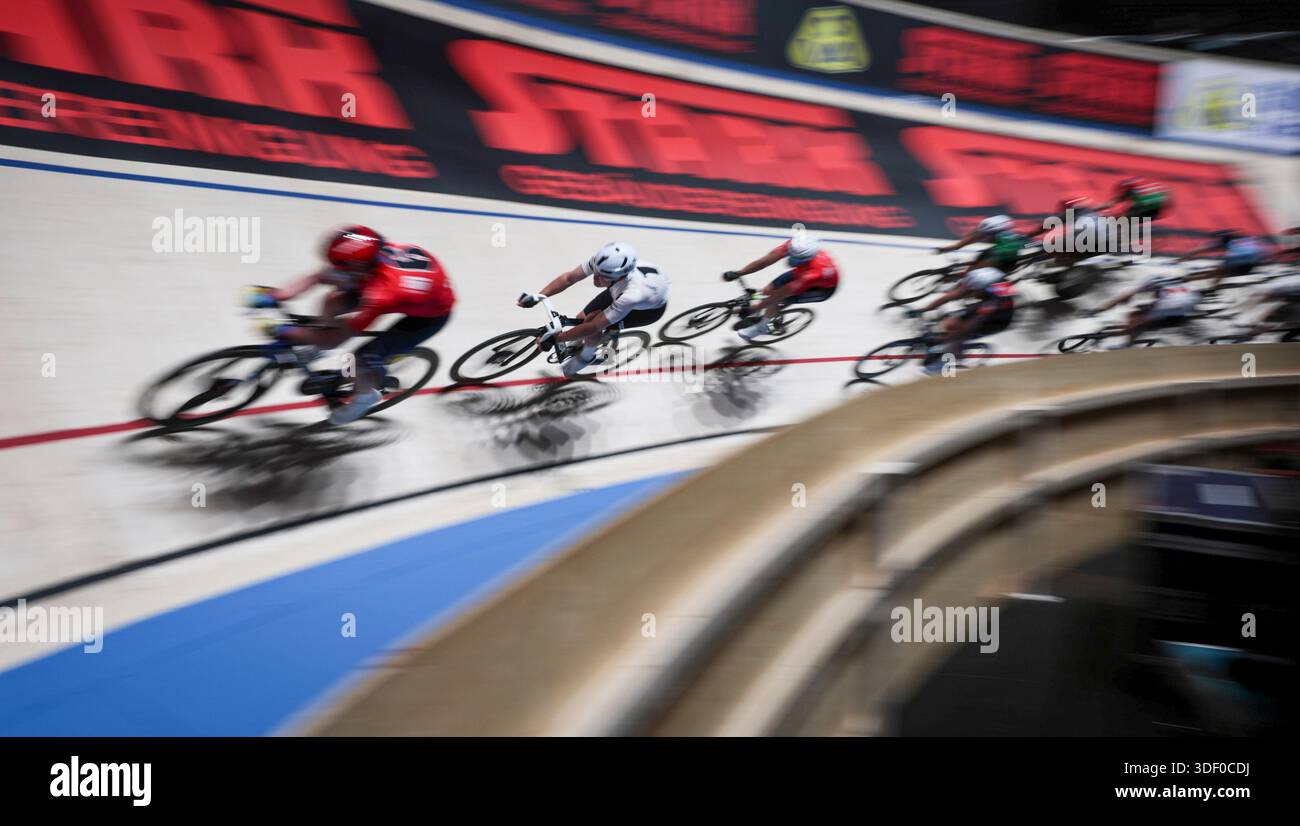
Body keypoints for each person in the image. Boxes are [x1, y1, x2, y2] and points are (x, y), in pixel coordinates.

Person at [246, 225, 454, 424]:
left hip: (429, 315)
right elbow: (319, 276)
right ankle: (317, 348)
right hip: (405, 284)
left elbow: (338, 337)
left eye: (342, 266)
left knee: (356, 361)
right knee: (333, 301)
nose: (335, 269)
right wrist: (277, 295)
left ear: (359, 266)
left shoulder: (381, 294)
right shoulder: (367, 259)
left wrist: (287, 331)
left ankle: (366, 398)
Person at [518, 242, 669, 377]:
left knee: (593, 325)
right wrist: (538, 296)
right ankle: (579, 344)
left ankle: (586, 357)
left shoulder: (631, 294)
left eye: (602, 276)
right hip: (623, 291)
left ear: (620, 276)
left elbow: (593, 327)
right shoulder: (604, 262)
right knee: (581, 317)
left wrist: (556, 339)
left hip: (646, 310)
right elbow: (569, 278)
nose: (595, 278)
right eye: (595, 271)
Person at [722, 234, 840, 341]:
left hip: (820, 289)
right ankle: (755, 310)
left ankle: (762, 327)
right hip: (802, 272)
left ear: (807, 258)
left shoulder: (813, 273)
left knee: (776, 300)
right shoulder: (793, 245)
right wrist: (739, 273)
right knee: (768, 290)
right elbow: (762, 263)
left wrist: (756, 303)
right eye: (791, 255)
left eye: (797, 259)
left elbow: (780, 294)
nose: (791, 259)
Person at [911, 266, 1016, 375]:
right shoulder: (982, 280)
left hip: (998, 320)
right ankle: (942, 342)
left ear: (983, 290)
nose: (969, 291)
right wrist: (923, 309)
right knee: (951, 322)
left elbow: (966, 328)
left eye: (973, 290)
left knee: (961, 334)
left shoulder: (992, 303)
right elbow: (950, 296)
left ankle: (946, 362)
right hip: (988, 300)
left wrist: (939, 340)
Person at [1089, 271, 1200, 347]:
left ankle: (1127, 345)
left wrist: (1100, 309)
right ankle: (1157, 324)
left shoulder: (1150, 282)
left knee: (1135, 317)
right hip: (1191, 300)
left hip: (1173, 304)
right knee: (1146, 312)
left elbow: (1122, 298)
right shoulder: (1171, 282)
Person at [937, 214, 1030, 276]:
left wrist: (965, 273)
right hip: (1008, 257)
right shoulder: (1013, 235)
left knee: (972, 273)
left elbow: (972, 239)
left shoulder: (999, 242)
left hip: (1001, 257)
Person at [1179, 229, 1273, 289]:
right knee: (1220, 273)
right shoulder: (1247, 239)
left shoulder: (1227, 243)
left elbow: (1199, 250)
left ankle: (1188, 279)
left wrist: (1184, 258)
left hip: (1240, 259)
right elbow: (1264, 252)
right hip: (1252, 260)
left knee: (1215, 273)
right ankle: (1210, 286)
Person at [1097, 177, 1170, 222]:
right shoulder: (1135, 187)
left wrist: (1094, 209)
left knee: (1123, 218)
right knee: (1126, 218)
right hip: (1159, 203)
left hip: (1151, 204)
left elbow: (1111, 203)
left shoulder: (1128, 190)